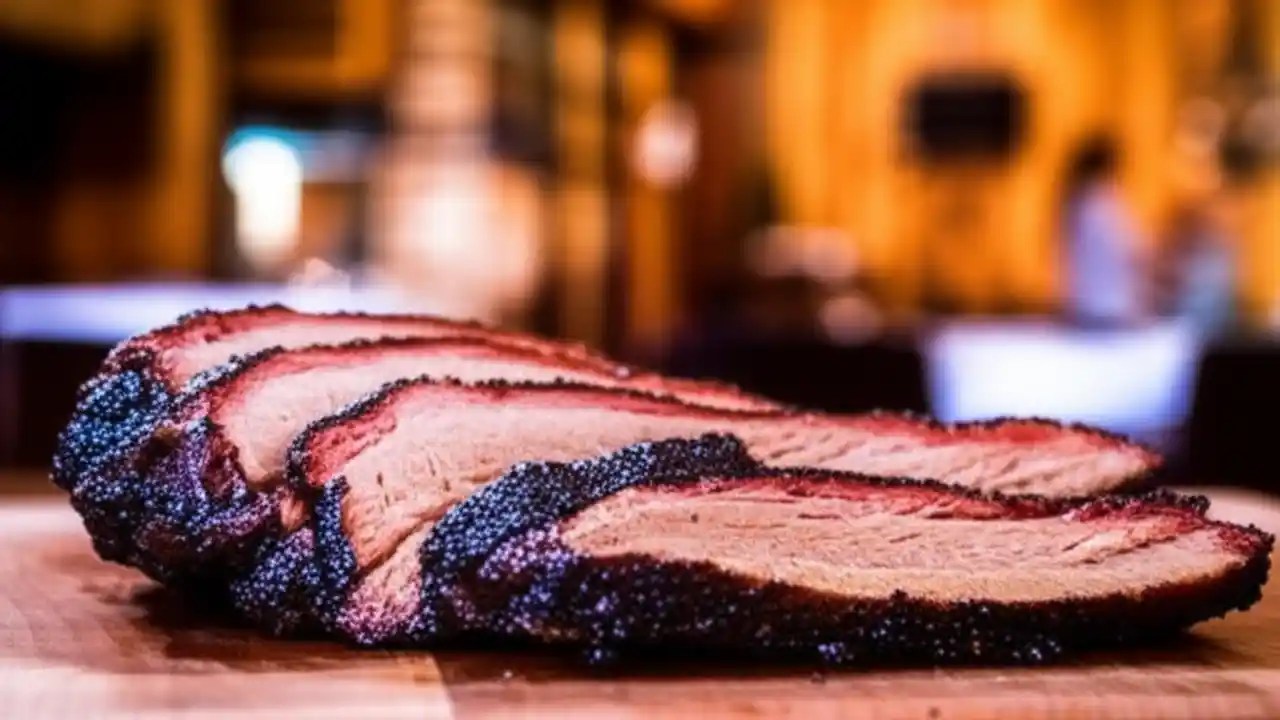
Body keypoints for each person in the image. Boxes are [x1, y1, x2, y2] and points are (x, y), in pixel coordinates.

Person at [1061, 136, 1149, 327]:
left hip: (1082, 304)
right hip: (1112, 306)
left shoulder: (1073, 202)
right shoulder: (1106, 200)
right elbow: (1135, 247)